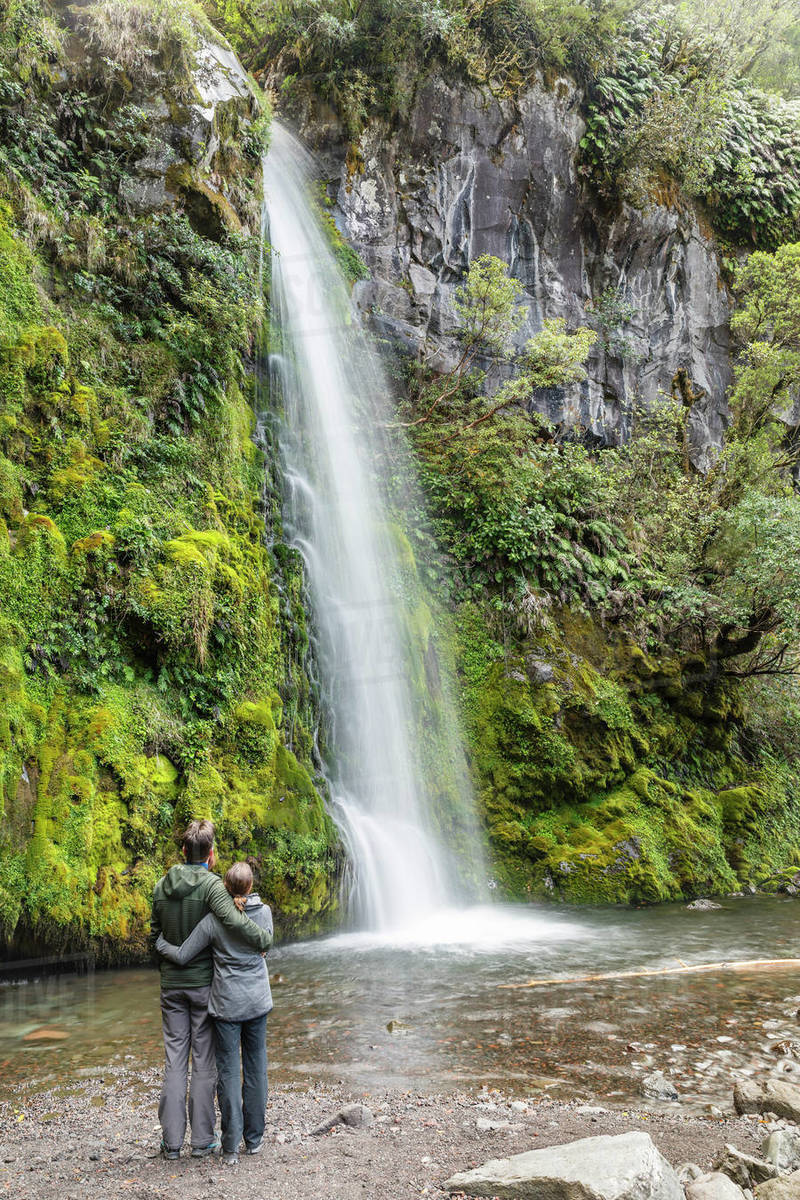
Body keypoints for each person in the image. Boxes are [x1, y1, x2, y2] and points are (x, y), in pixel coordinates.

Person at [150, 820, 272, 1161]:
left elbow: (154, 934)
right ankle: (203, 1140)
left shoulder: (160, 886)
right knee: (204, 1061)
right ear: (212, 854)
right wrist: (263, 940)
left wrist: (162, 956)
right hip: (204, 985)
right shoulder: (212, 887)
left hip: (171, 986)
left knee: (174, 1060)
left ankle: (172, 1143)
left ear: (183, 851)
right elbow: (232, 922)